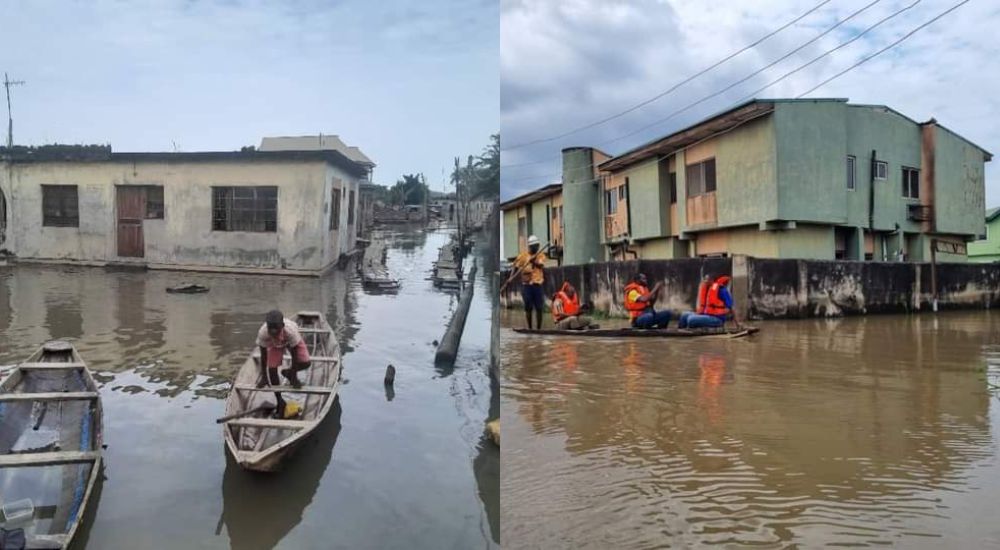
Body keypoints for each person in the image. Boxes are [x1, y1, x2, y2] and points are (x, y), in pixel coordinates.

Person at [256, 309, 312, 418]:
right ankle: (280, 402)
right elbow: (263, 357)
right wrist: (264, 377)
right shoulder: (263, 332)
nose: (273, 331)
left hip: (290, 340)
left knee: (306, 363)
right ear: (267, 326)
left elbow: (294, 356)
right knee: (272, 369)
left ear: (282, 325)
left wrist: (294, 377)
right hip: (273, 343)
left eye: (276, 328)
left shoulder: (291, 331)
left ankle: (288, 373)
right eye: (270, 328)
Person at [513, 235, 547, 330]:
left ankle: (539, 329)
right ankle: (530, 328)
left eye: (537, 246)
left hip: (537, 285)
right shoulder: (523, 256)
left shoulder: (541, 255)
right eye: (533, 246)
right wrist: (511, 278)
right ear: (530, 247)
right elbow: (515, 266)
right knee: (528, 307)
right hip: (527, 285)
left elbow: (541, 265)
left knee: (539, 308)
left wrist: (533, 262)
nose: (536, 248)